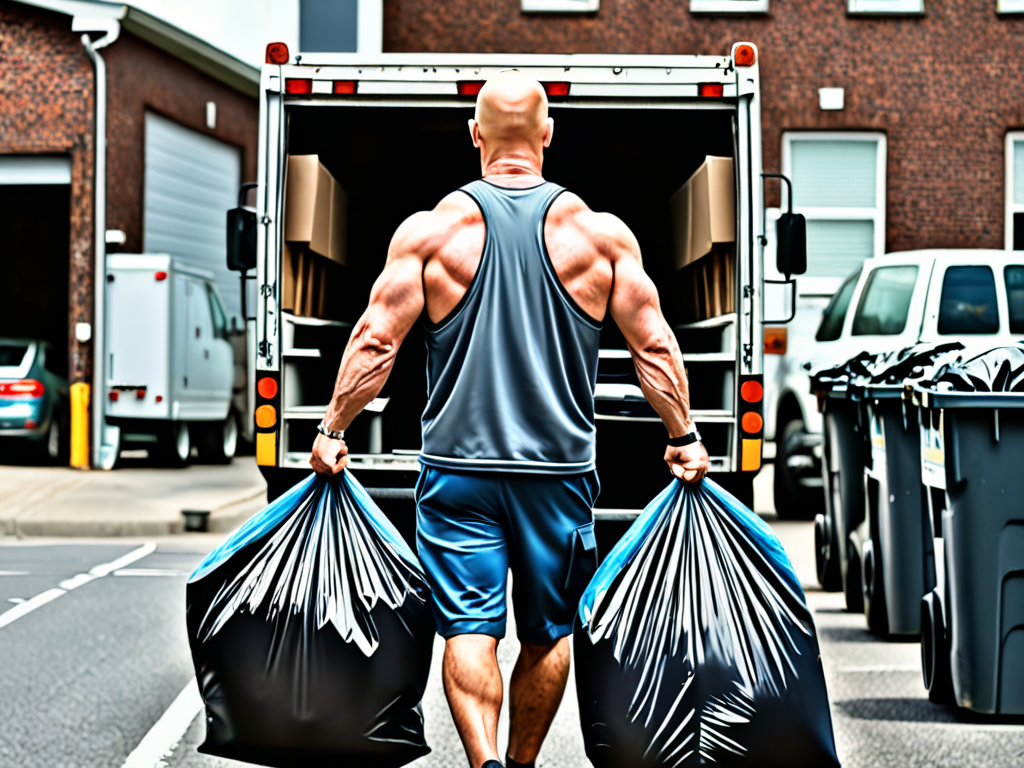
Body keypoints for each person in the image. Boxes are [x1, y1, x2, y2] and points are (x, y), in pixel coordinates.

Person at [310, 71, 710, 768]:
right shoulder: (599, 236)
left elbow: (375, 341)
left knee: (469, 630)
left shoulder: (432, 234)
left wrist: (332, 429)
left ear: (475, 137)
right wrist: (684, 437)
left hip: (458, 472)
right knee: (549, 632)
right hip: (558, 476)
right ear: (548, 135)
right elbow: (654, 345)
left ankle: (484, 762)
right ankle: (520, 765)